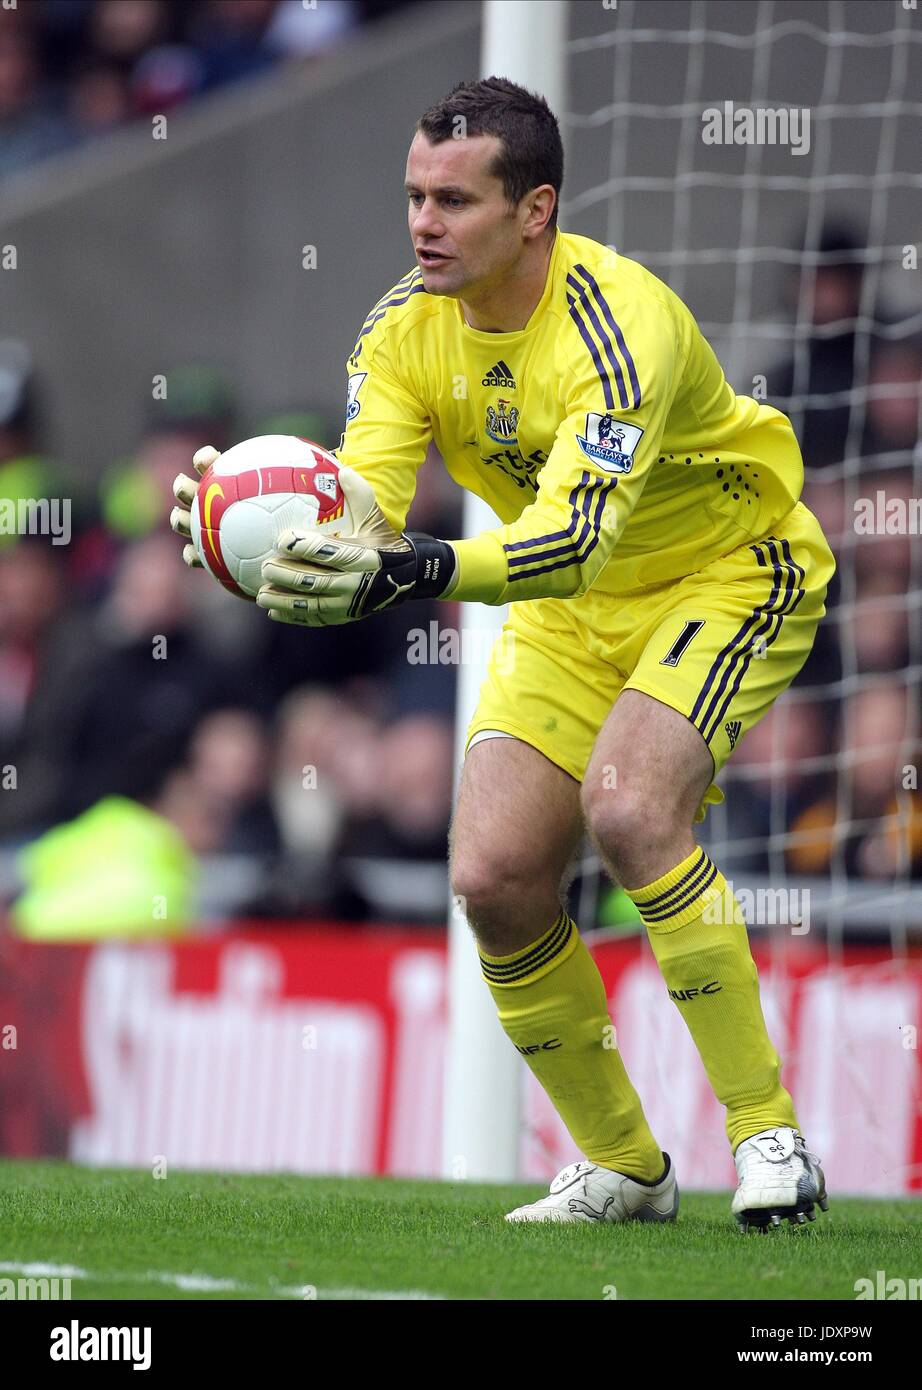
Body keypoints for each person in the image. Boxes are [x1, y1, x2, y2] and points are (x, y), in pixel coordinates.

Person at [171, 77, 835, 1230]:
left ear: (535, 211)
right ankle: (626, 1166)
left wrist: (422, 566)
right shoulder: (399, 332)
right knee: (490, 879)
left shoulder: (619, 323)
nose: (424, 224)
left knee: (630, 807)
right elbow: (365, 517)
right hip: (564, 615)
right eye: (414, 197)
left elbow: (574, 536)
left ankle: (767, 1133)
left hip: (727, 569)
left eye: (455, 201)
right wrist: (253, 539)